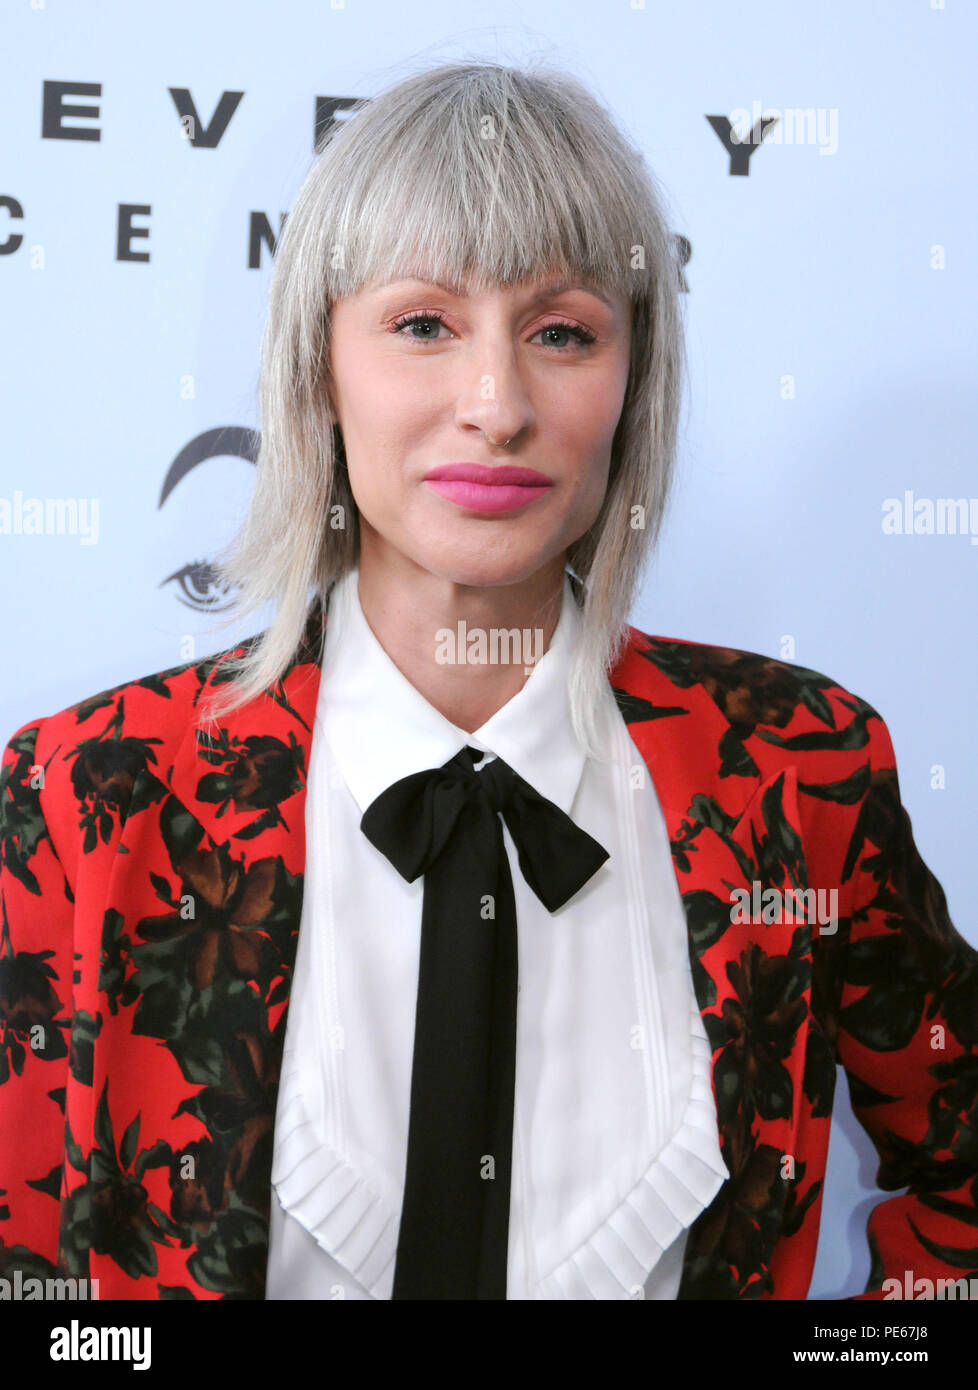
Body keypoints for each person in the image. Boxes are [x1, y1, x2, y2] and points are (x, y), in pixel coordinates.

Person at [1, 59, 975, 1302]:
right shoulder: (89, 793)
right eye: (422, 325)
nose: (497, 405)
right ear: (320, 370)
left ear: (630, 387)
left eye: (562, 331)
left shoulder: (803, 771)